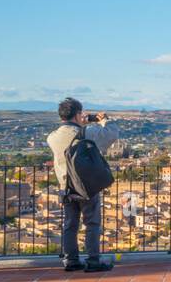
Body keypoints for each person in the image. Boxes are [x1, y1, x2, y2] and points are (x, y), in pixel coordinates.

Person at [46, 97, 119, 272]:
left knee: (70, 224)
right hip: (87, 185)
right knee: (92, 223)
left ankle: (71, 260)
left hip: (65, 186)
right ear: (78, 114)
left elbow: (69, 138)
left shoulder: (52, 137)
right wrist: (103, 120)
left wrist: (81, 123)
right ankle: (93, 260)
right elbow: (111, 134)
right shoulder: (87, 133)